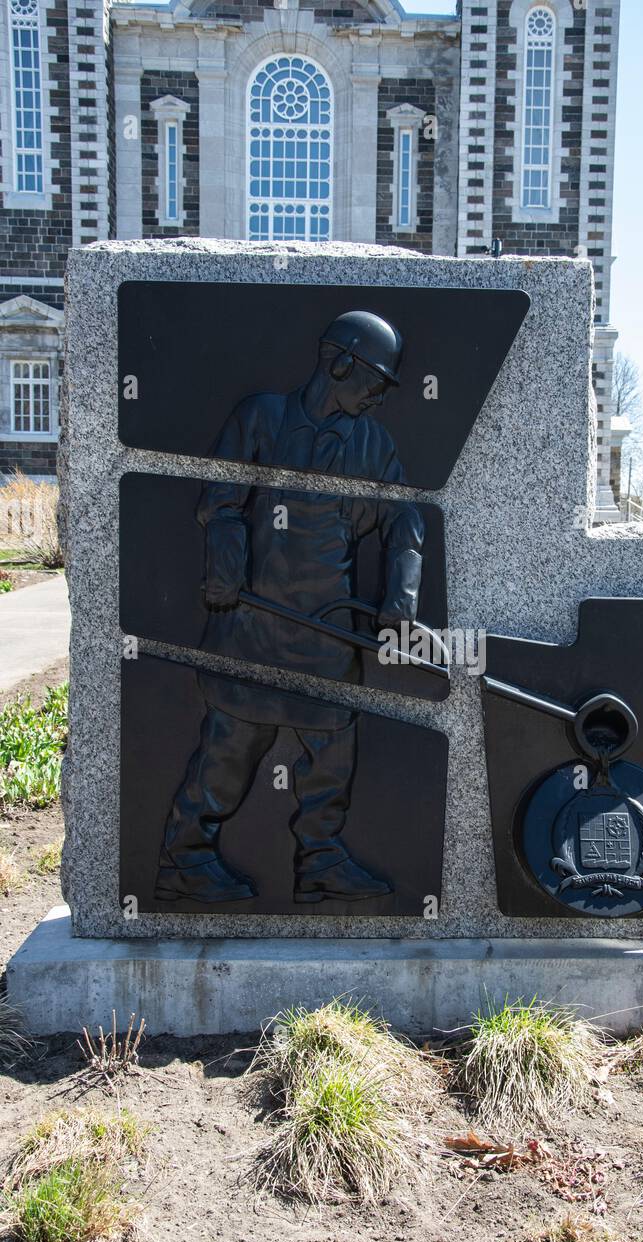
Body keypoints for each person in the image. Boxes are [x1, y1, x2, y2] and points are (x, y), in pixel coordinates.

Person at [155, 311, 424, 907]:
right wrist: (224, 570)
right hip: (252, 628)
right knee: (229, 753)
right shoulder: (260, 417)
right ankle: (185, 860)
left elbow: (404, 517)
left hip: (327, 629)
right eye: (376, 380)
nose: (380, 396)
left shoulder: (372, 443)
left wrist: (400, 595)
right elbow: (220, 501)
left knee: (332, 757)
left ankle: (321, 862)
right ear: (340, 363)